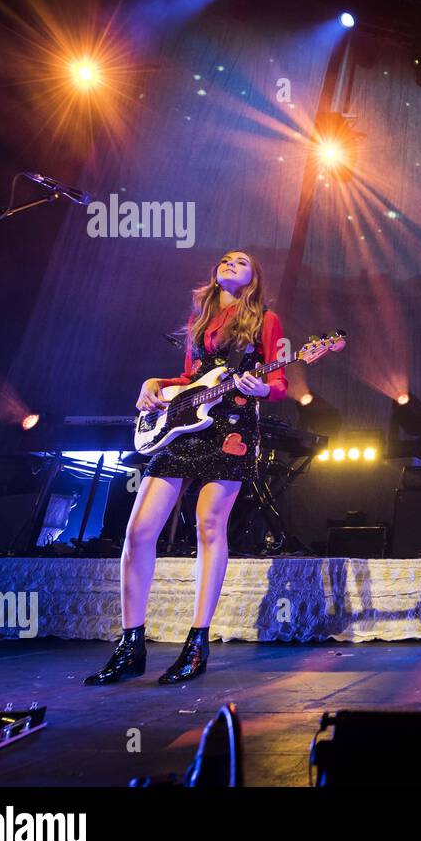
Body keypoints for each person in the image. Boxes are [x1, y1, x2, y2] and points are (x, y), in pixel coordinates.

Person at [85, 250, 288, 686]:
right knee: (139, 531)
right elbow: (190, 378)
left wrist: (263, 387)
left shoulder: (265, 320)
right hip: (184, 427)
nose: (231, 262)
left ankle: (197, 644)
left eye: (242, 261)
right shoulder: (201, 319)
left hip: (232, 427)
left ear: (255, 278)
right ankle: (131, 643)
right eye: (226, 259)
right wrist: (152, 384)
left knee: (208, 526)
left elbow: (280, 386)